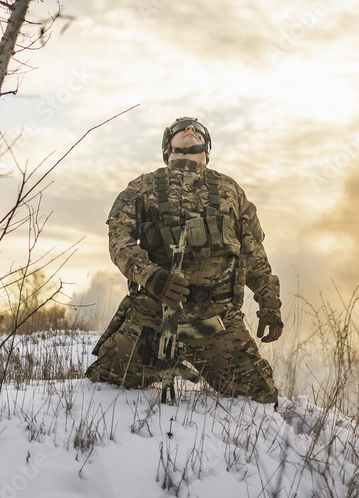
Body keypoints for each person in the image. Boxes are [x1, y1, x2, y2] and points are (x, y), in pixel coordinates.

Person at [86, 117, 283, 404]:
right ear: (167, 148)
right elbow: (119, 239)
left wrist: (270, 303)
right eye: (181, 129)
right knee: (101, 390)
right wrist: (151, 276)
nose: (190, 130)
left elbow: (254, 254)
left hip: (215, 319)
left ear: (207, 148)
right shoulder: (142, 187)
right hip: (154, 315)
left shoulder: (230, 190)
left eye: (198, 130)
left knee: (259, 398)